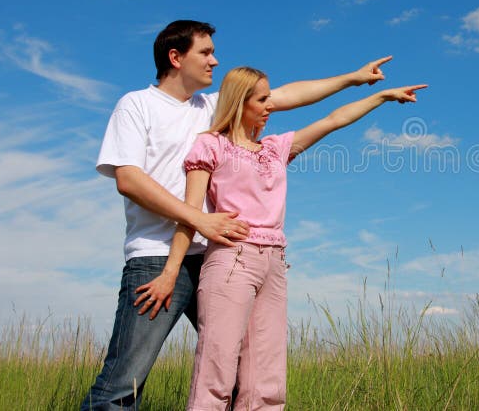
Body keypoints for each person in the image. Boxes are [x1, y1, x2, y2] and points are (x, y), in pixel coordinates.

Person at [82, 20, 396, 410]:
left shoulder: (211, 106)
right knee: (123, 382)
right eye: (205, 52)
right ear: (175, 57)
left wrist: (353, 79)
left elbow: (288, 95)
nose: (214, 60)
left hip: (220, 255)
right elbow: (128, 179)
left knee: (241, 376)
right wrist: (199, 220)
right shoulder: (137, 105)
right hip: (157, 257)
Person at [136, 66, 426, 410]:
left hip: (274, 263)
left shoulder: (276, 148)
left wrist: (381, 96)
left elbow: (334, 120)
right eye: (262, 100)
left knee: (266, 380)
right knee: (217, 371)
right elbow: (189, 215)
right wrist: (170, 272)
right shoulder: (210, 145)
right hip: (232, 260)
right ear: (240, 102)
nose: (270, 106)